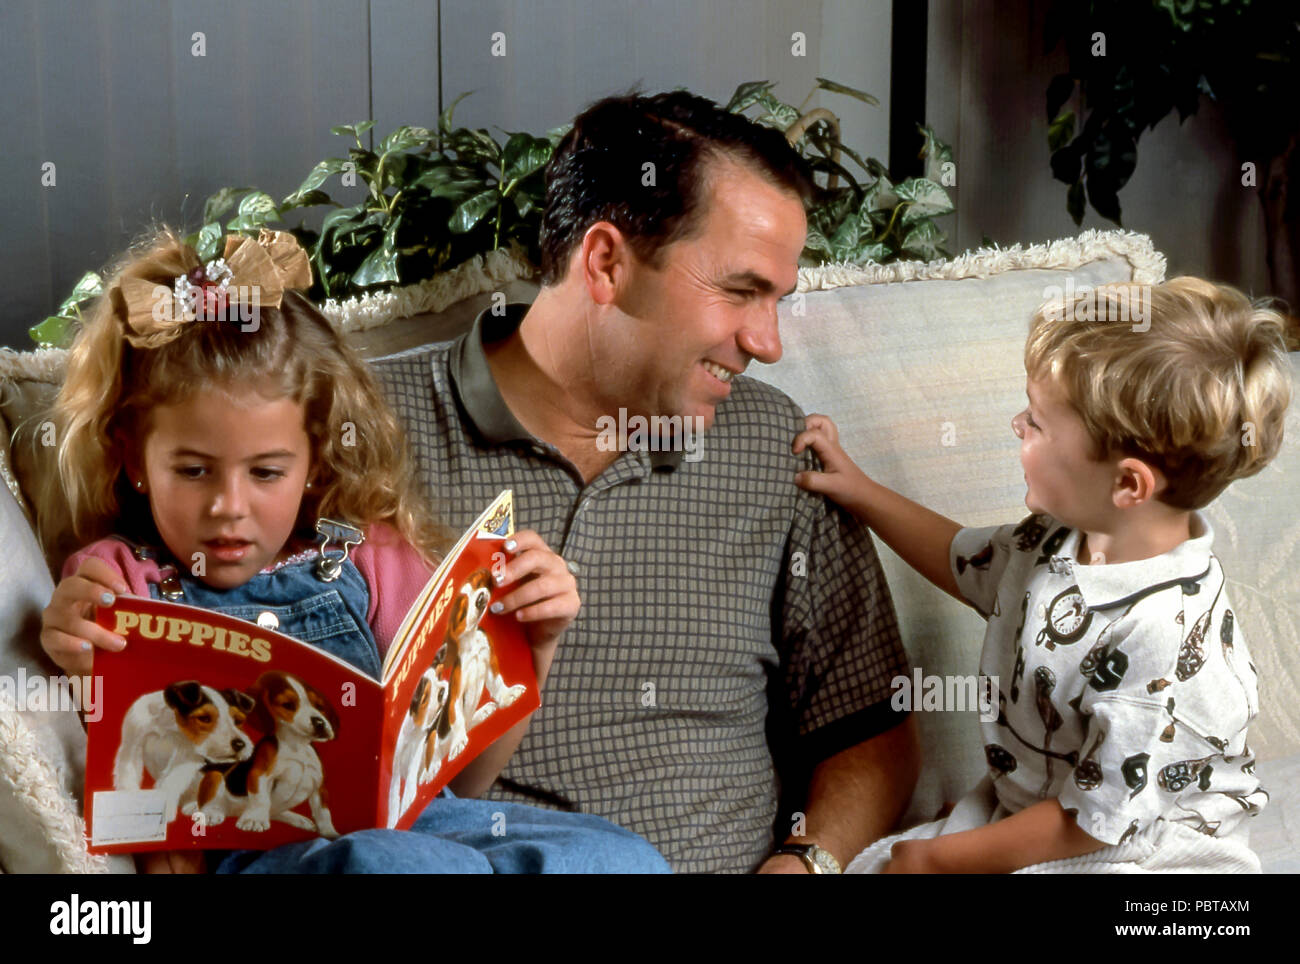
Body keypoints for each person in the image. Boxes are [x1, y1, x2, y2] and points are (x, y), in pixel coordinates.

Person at [365, 91, 919, 874]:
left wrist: (806, 865)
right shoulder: (359, 426)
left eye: (777, 301)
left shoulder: (769, 443)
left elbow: (871, 729)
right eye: (740, 290)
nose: (766, 342)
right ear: (607, 263)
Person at [37, 227, 669, 874]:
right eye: (194, 471)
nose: (229, 506)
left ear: (314, 460)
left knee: (618, 857)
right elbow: (133, 777)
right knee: (390, 865)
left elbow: (466, 783)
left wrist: (532, 644)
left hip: (428, 826)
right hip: (266, 849)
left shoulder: (371, 556)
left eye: (266, 472)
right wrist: (79, 661)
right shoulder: (119, 579)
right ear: (134, 459)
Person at [794, 277, 1291, 873]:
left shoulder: (1160, 634)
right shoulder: (1056, 537)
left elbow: (1092, 822)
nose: (1016, 426)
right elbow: (960, 557)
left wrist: (939, 861)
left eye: (1037, 423)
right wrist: (860, 491)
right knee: (877, 865)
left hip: (1137, 842)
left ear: (1127, 483)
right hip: (1040, 806)